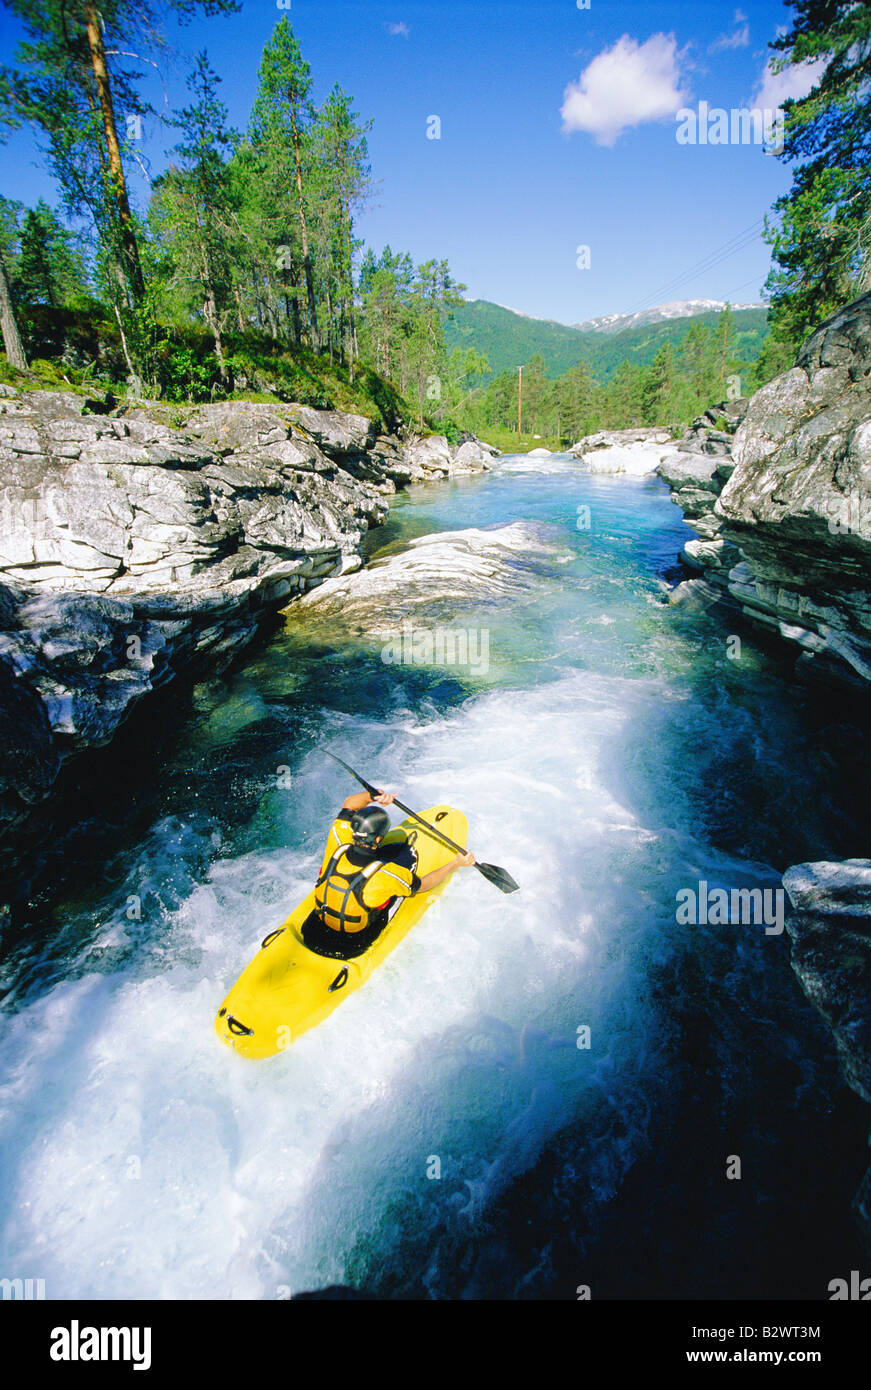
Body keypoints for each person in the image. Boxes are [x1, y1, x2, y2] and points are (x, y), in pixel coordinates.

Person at [301, 786, 475, 961]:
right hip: (356, 939)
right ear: (378, 839)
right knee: (406, 857)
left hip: (318, 926)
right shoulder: (386, 875)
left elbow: (350, 804)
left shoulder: (337, 841)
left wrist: (372, 796)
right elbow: (423, 885)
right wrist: (455, 864)